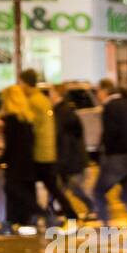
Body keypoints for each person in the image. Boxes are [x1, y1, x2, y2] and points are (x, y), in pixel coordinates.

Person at [91, 78, 127, 231]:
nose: (97, 96)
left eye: (97, 92)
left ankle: (105, 227)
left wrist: (104, 155)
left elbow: (110, 133)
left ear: (104, 91)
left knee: (98, 191)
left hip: (118, 158)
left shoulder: (110, 107)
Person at [19, 69, 72, 225]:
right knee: (51, 186)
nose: (20, 86)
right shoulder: (42, 99)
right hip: (47, 151)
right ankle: (65, 214)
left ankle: (39, 215)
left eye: (20, 82)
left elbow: (31, 126)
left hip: (39, 152)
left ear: (25, 83)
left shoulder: (33, 101)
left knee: (27, 186)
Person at [0, 84, 38, 235]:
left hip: (15, 163)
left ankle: (11, 221)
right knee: (25, 190)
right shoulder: (27, 118)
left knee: (12, 190)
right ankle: (26, 219)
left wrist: (0, 161)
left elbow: (11, 145)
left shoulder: (11, 120)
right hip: (27, 161)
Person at [51, 83, 94, 219]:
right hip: (69, 157)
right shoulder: (62, 111)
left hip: (69, 158)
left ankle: (92, 206)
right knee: (63, 187)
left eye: (51, 93)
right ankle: (56, 211)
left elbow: (67, 138)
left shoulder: (63, 113)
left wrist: (63, 158)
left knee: (72, 187)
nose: (49, 96)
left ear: (57, 94)